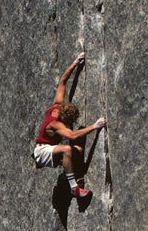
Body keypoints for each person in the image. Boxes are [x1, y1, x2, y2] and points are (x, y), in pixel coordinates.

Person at [33, 51, 106, 197]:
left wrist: (75, 63)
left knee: (77, 151)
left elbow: (63, 82)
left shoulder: (56, 105)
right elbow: (72, 135)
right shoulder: (55, 124)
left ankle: (75, 175)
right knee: (67, 148)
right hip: (41, 151)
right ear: (65, 120)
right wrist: (95, 126)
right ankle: (74, 188)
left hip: (50, 147)